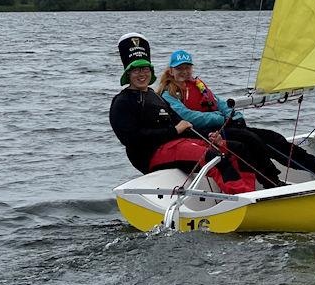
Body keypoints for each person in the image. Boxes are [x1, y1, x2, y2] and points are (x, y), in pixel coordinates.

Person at [157, 49, 315, 183]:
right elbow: (190, 117)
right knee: (253, 141)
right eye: (179, 68)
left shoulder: (198, 85)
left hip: (224, 127)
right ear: (171, 71)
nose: (184, 72)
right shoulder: (168, 94)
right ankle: (272, 181)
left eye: (187, 67)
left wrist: (232, 114)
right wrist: (222, 118)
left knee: (273, 137)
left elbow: (219, 102)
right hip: (205, 134)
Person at [109, 34, 254, 194]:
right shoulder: (122, 102)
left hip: (178, 143)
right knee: (214, 158)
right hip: (151, 155)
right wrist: (173, 131)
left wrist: (210, 137)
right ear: (128, 74)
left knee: (235, 149)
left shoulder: (153, 95)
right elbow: (131, 139)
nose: (141, 74)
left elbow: (182, 124)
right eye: (136, 70)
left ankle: (252, 195)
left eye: (145, 69)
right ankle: (240, 197)